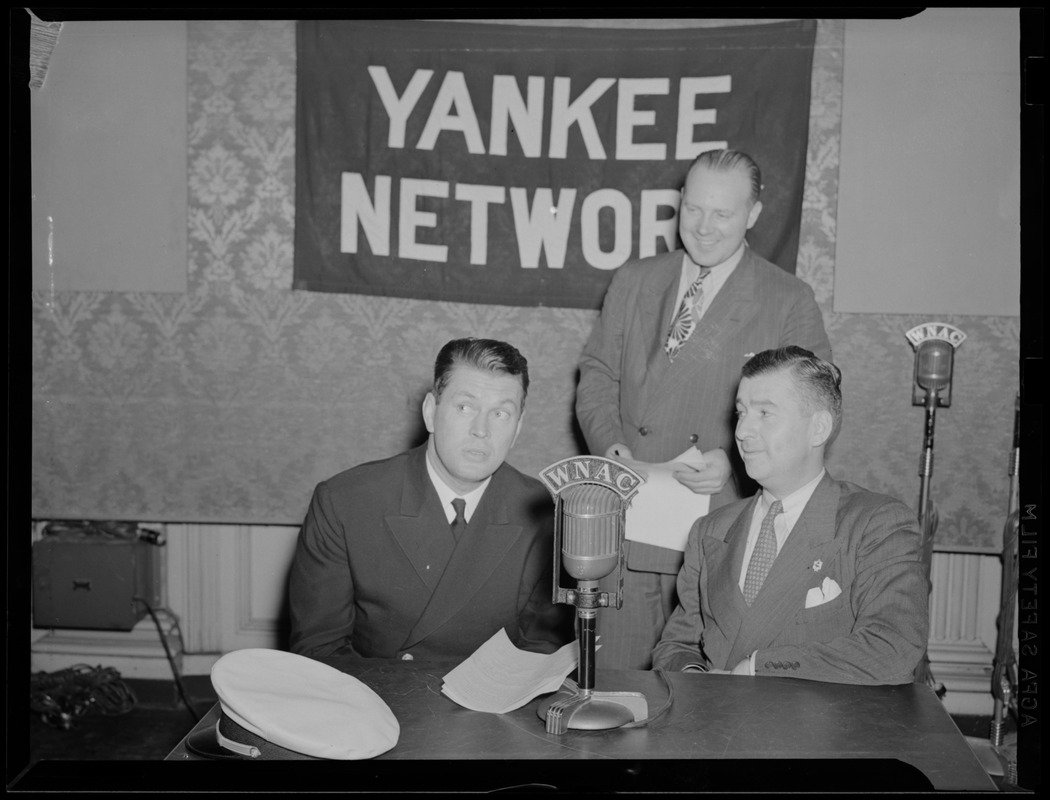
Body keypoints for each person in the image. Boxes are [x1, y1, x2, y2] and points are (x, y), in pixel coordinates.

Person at [576, 149, 832, 669]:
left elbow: (811, 415)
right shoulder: (635, 279)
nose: (704, 227)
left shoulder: (788, 299)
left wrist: (735, 460)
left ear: (753, 215)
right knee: (613, 687)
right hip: (624, 523)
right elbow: (597, 374)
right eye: (693, 209)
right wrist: (609, 447)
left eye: (723, 214)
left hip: (720, 531)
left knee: (700, 702)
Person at [651, 347, 929, 684]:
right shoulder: (709, 530)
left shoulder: (875, 524)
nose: (742, 431)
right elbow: (678, 644)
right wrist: (699, 681)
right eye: (741, 413)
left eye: (765, 413)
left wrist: (756, 669)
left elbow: (893, 648)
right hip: (715, 727)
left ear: (819, 428)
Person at [288, 338, 572, 661]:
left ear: (518, 428)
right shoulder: (345, 504)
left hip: (493, 709)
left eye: (501, 414)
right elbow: (319, 652)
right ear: (430, 412)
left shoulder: (546, 515)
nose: (482, 430)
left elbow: (541, 654)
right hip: (377, 704)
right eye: (465, 407)